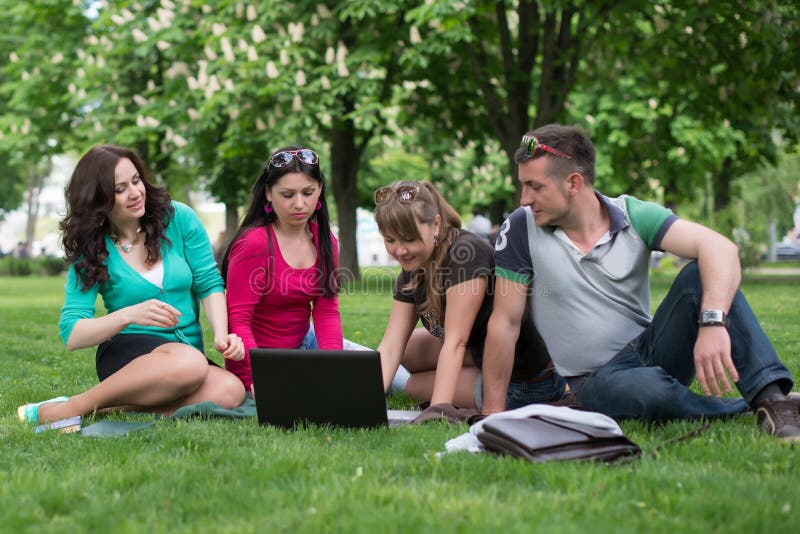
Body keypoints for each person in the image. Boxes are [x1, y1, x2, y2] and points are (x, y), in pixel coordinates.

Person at [481, 124, 800, 441]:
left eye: (535, 186)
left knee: (698, 274)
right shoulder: (521, 228)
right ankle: (743, 406)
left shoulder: (633, 214)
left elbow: (721, 249)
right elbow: (506, 323)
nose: (524, 198)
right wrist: (492, 417)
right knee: (645, 392)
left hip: (652, 350)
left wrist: (712, 323)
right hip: (594, 381)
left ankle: (774, 402)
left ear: (573, 183)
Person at [17, 144, 246, 427]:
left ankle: (103, 408)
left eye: (136, 181)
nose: (136, 193)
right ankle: (75, 406)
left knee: (230, 391)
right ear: (99, 198)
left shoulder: (178, 218)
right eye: (120, 188)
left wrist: (222, 336)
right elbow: (72, 334)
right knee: (189, 364)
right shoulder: (92, 249)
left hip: (186, 353)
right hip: (128, 353)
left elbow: (208, 281)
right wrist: (129, 315)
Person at [373, 181, 565, 418]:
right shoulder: (412, 270)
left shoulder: (466, 255)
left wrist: (437, 410)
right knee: (408, 348)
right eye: (390, 240)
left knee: (414, 385)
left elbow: (456, 342)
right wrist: (364, 402)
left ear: (435, 225)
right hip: (479, 354)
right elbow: (391, 345)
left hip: (525, 381)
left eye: (409, 239)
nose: (400, 250)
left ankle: (437, 386)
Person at [221, 146, 342, 393]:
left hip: (304, 345)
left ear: (319, 189)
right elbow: (239, 320)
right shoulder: (254, 243)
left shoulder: (325, 241)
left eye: (308, 192)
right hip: (261, 359)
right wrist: (258, 377)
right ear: (268, 193)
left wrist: (335, 367)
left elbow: (326, 311)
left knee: (374, 373)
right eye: (287, 195)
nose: (300, 204)